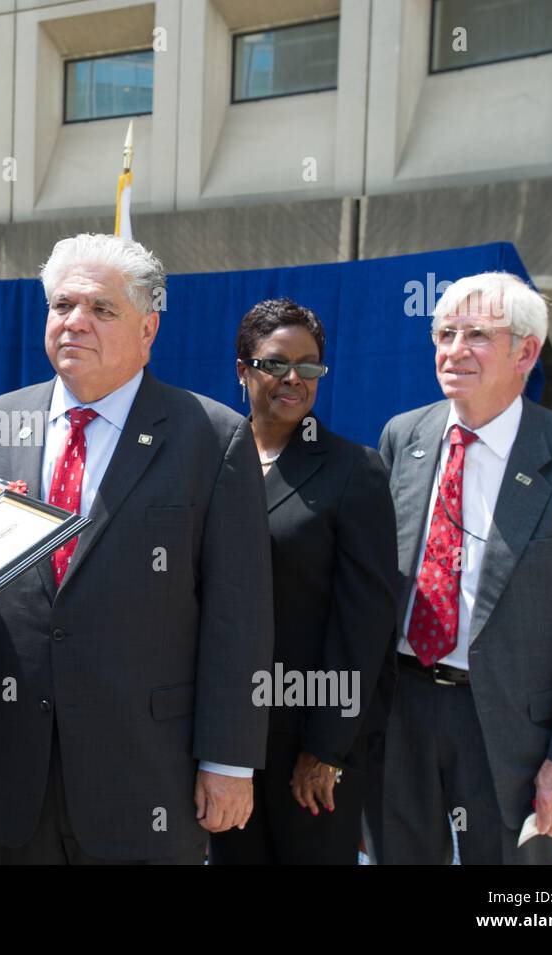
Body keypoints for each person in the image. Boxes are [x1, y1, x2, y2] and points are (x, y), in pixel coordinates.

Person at [0, 233, 274, 864]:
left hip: (146, 776)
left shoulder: (212, 438)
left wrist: (230, 759)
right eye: (62, 305)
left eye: (101, 309)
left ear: (148, 329)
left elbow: (240, 616)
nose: (75, 322)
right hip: (13, 773)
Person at [369, 271, 552, 864]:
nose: (455, 350)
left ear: (527, 352)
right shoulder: (404, 435)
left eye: (477, 336)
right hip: (402, 711)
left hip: (512, 730)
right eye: (445, 333)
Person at [208, 299, 397, 865]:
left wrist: (327, 749)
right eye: (275, 364)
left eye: (309, 366)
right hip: (223, 737)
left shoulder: (353, 470)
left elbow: (365, 625)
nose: (294, 379)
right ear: (243, 370)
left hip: (309, 741)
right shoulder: (211, 459)